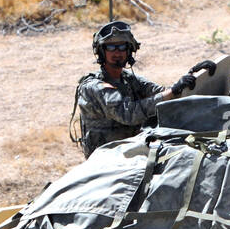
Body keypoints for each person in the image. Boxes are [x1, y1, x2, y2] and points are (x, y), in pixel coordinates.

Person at [73, 20, 214, 158]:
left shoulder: (128, 78)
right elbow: (128, 114)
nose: (117, 52)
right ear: (102, 52)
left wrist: (191, 75)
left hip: (129, 150)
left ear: (129, 51)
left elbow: (162, 92)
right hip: (104, 157)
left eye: (122, 47)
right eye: (111, 47)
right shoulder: (95, 86)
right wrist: (172, 92)